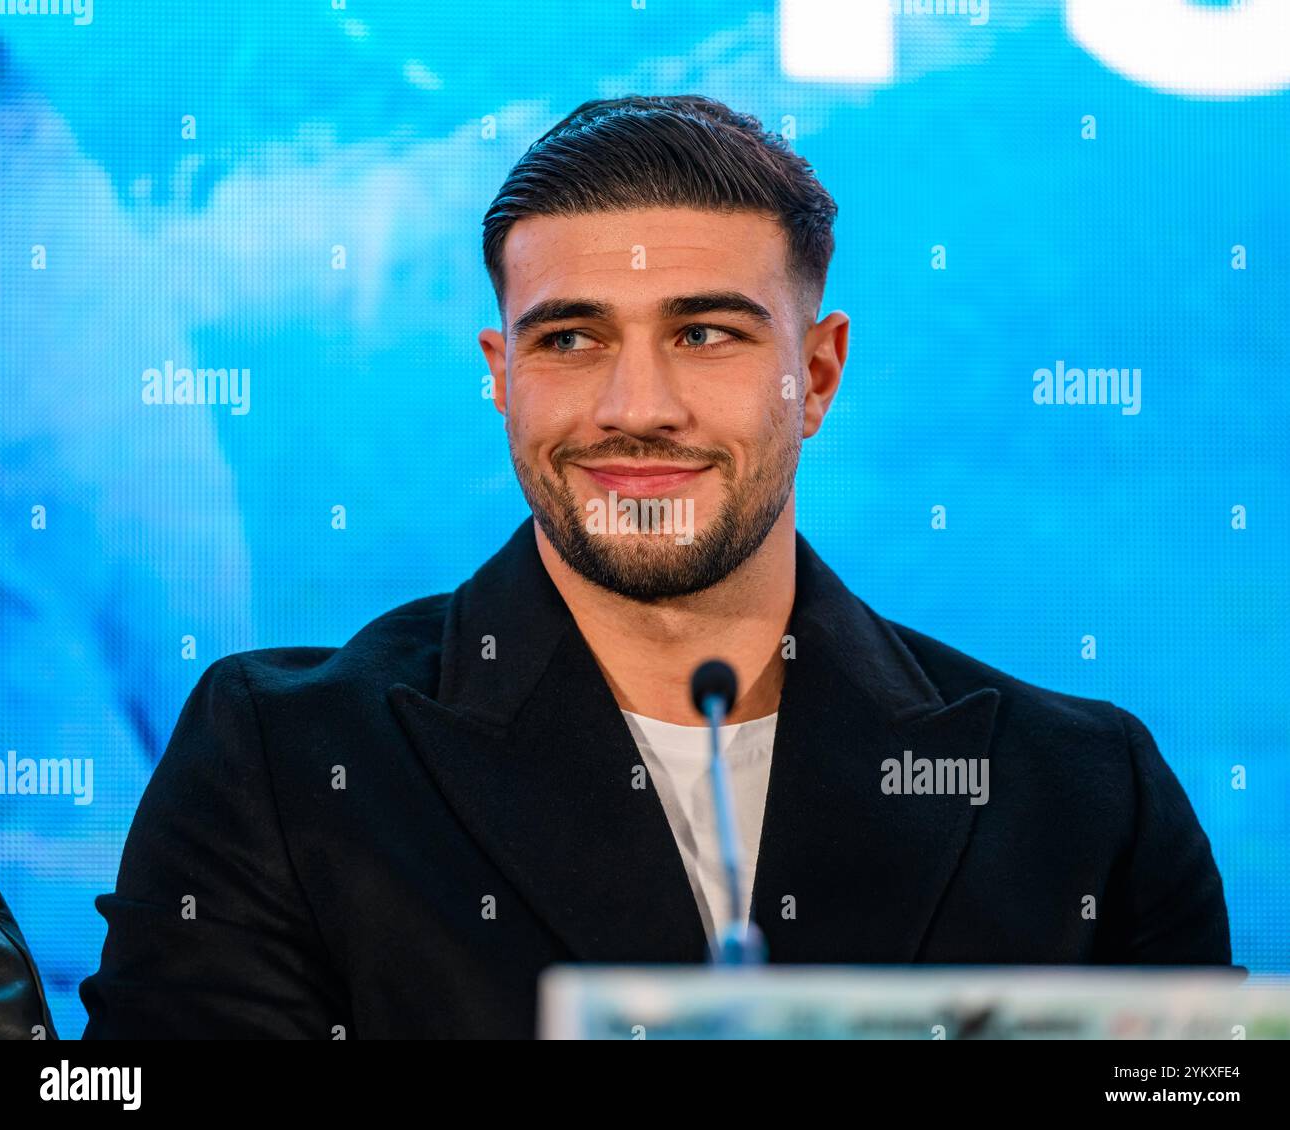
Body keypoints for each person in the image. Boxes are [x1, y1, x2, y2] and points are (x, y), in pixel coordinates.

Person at [80, 95, 1232, 1040]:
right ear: (502, 371)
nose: (636, 410)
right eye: (570, 339)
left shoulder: (1081, 793)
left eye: (704, 333)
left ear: (817, 374)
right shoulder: (283, 756)